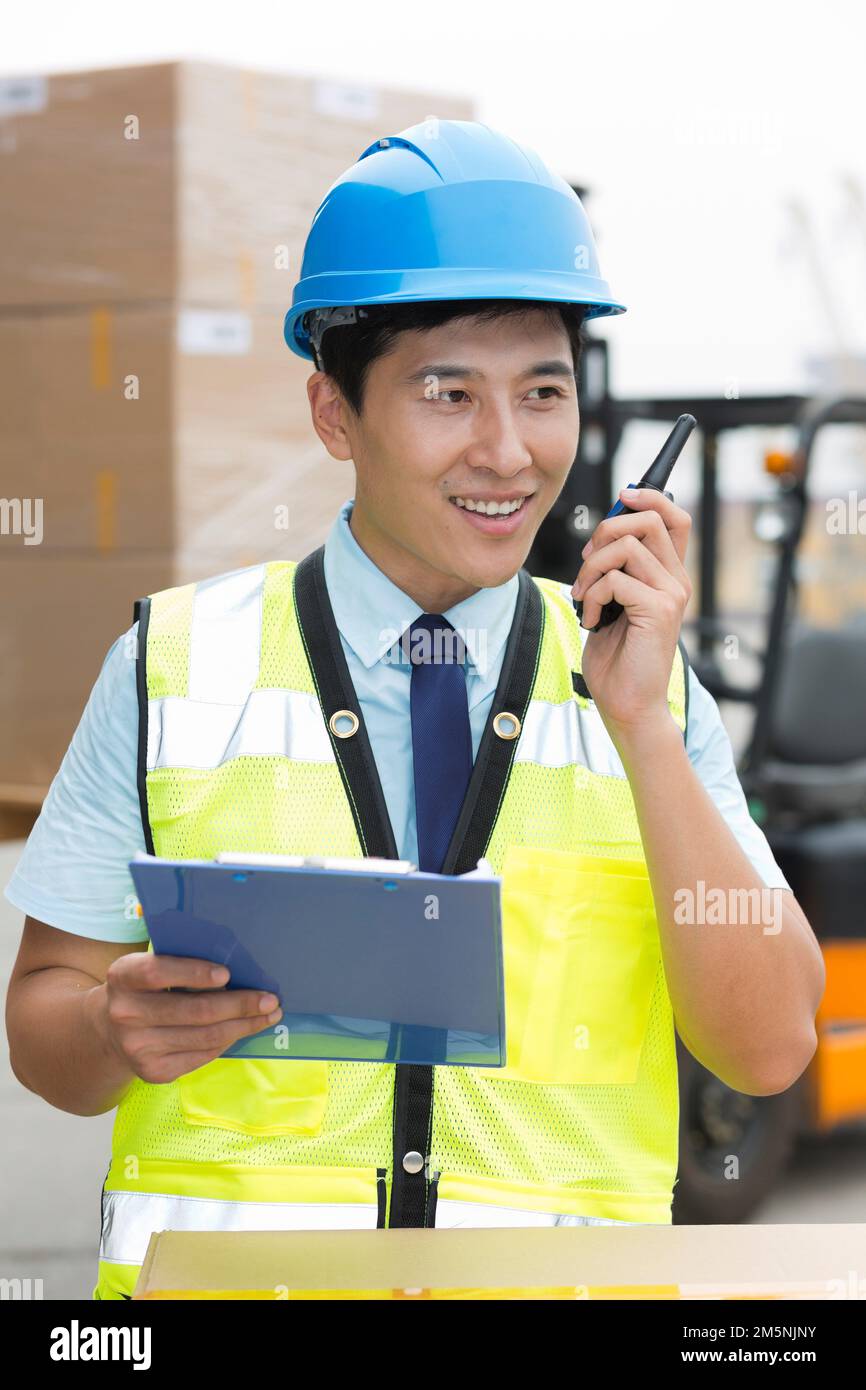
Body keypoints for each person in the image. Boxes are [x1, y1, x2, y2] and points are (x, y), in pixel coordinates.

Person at [4, 120, 824, 1300]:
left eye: (541, 392)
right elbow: (46, 1030)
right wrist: (104, 1032)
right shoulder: (170, 665)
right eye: (449, 393)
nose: (507, 451)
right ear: (333, 413)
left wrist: (642, 723)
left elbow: (765, 1048)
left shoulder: (643, 681)